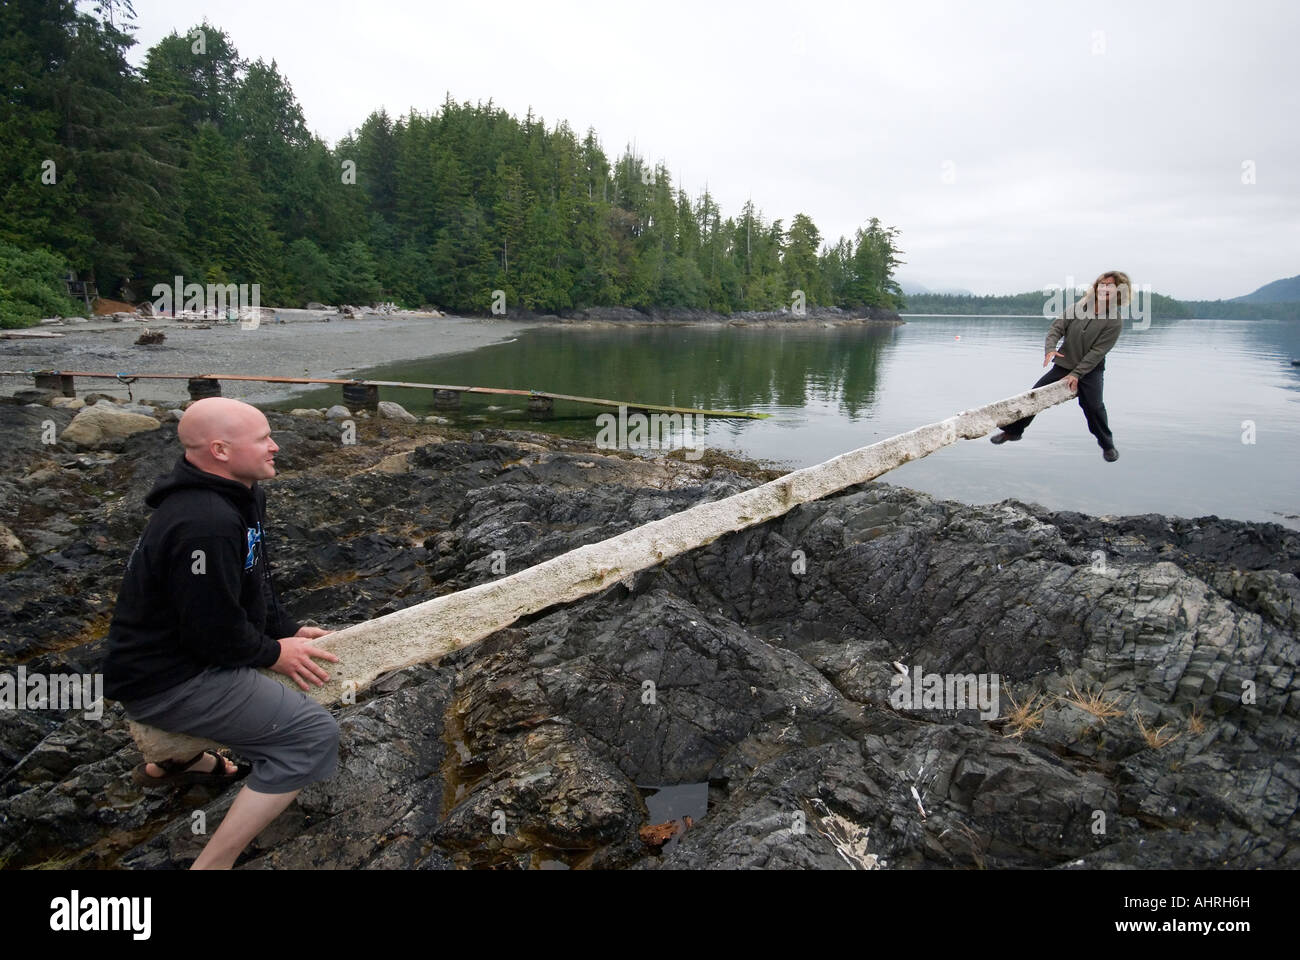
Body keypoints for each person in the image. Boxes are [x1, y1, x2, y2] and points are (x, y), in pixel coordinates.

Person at [103, 396, 341, 869]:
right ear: (220, 450)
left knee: (308, 684)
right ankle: (213, 863)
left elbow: (255, 581)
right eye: (263, 440)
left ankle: (177, 761)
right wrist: (273, 652)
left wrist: (286, 630)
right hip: (168, 680)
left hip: (195, 658)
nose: (275, 447)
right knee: (313, 736)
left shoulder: (244, 493)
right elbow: (211, 632)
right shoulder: (203, 523)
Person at [990, 270, 1129, 461]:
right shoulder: (1078, 307)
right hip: (1064, 364)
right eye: (1102, 284)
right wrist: (1050, 349)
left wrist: (1077, 374)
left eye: (1110, 286)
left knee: (1094, 407)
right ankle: (1013, 431)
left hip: (1090, 370)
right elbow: (1056, 328)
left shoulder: (1115, 320)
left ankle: (1107, 445)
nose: (1105, 288)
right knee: (1035, 396)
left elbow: (1098, 351)